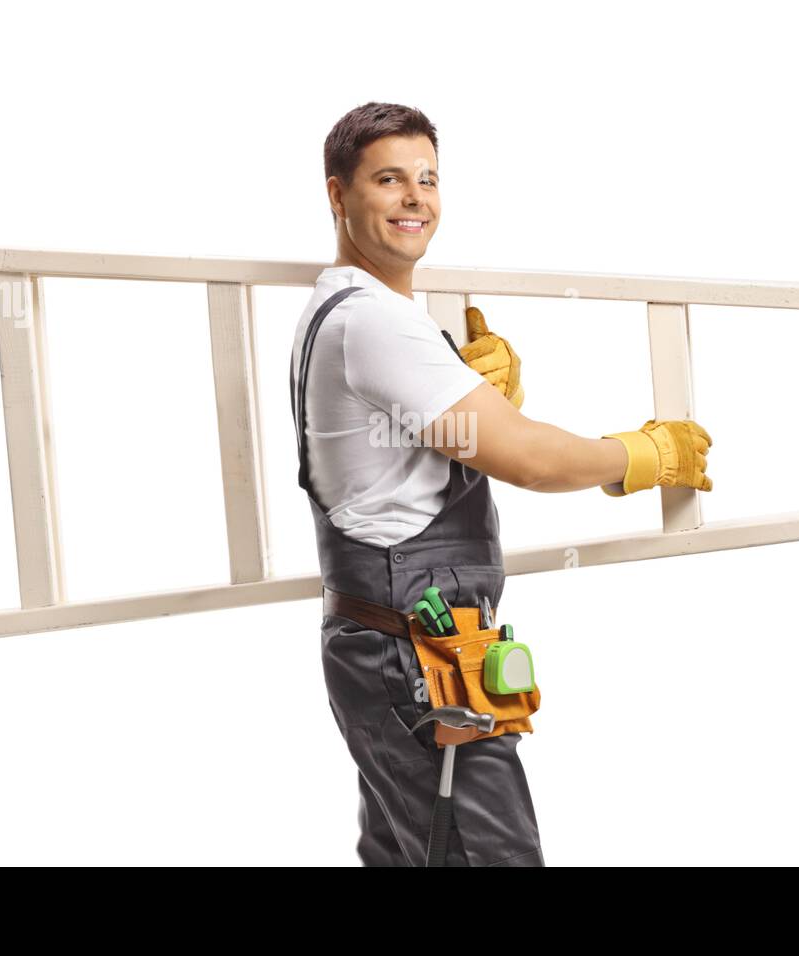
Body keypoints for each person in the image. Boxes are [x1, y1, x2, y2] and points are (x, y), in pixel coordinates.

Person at [290, 102, 713, 866]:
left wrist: (468, 389)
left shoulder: (346, 310)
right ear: (337, 194)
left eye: (428, 179)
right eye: (389, 179)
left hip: (392, 649)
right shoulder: (374, 323)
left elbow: (436, 441)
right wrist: (640, 455)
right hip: (416, 659)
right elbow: (529, 460)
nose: (415, 198)